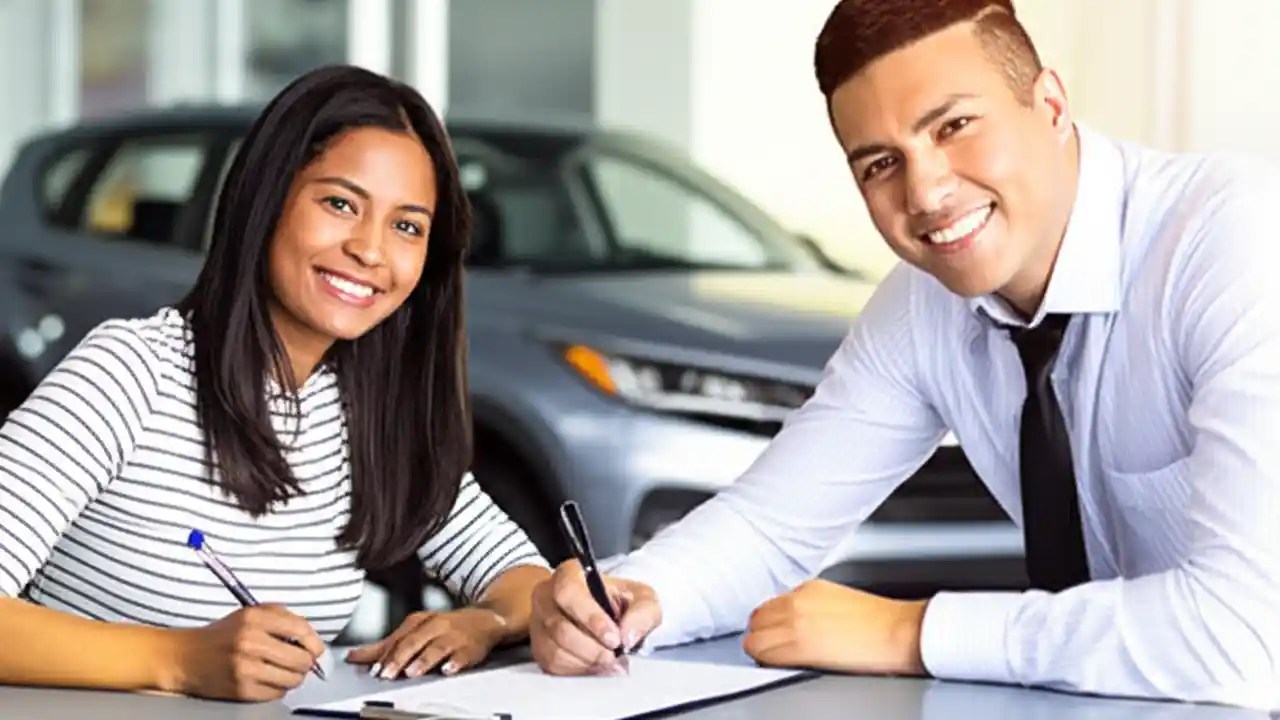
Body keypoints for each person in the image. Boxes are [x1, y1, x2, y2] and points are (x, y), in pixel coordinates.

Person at [529, 0, 1280, 710]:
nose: (925, 192)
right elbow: (773, 524)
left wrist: (910, 631)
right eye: (879, 164)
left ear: (1051, 105)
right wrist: (635, 599)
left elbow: (1250, 634)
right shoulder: (927, 302)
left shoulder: (1235, 241)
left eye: (954, 126)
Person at [0, 65, 551, 702]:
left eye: (407, 226)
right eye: (340, 203)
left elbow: (523, 580)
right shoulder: (131, 373)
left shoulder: (368, 411)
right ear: (266, 203)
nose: (371, 251)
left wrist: (485, 622)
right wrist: (177, 660)